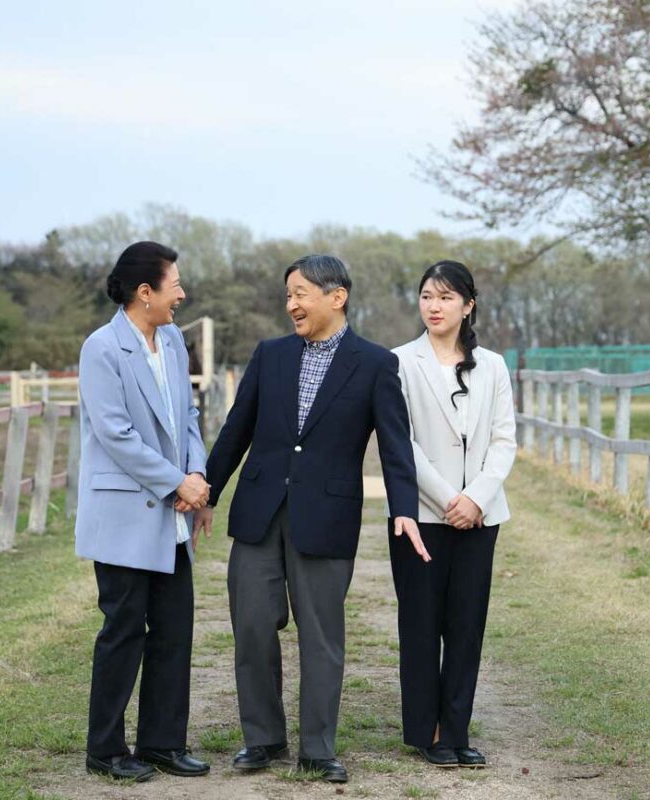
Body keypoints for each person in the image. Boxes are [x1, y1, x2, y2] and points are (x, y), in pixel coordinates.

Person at [197, 254, 430, 785]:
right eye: (287, 296)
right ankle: (263, 739)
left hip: (326, 518)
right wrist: (208, 489)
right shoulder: (270, 355)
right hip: (258, 514)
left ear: (337, 296)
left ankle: (318, 748)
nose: (291, 305)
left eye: (300, 293)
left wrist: (406, 511)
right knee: (252, 626)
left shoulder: (374, 364)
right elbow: (237, 429)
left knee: (321, 637)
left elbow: (395, 447)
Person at [76, 241, 213, 782]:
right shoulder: (101, 348)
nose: (181, 293)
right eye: (174, 283)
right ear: (144, 292)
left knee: (174, 631)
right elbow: (115, 434)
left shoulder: (174, 340)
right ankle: (105, 748)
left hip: (174, 513)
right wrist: (176, 479)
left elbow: (188, 414)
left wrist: (197, 479)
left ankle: (162, 743)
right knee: (124, 630)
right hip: (125, 514)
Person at [388, 260, 516, 769]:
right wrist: (449, 499)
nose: (434, 306)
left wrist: (477, 498)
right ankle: (427, 731)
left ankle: (457, 730)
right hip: (422, 516)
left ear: (468, 304)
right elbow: (403, 444)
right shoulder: (398, 362)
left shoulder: (495, 366)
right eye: (426, 296)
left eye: (444, 297)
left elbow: (505, 440)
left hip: (481, 517)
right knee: (421, 624)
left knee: (467, 625)